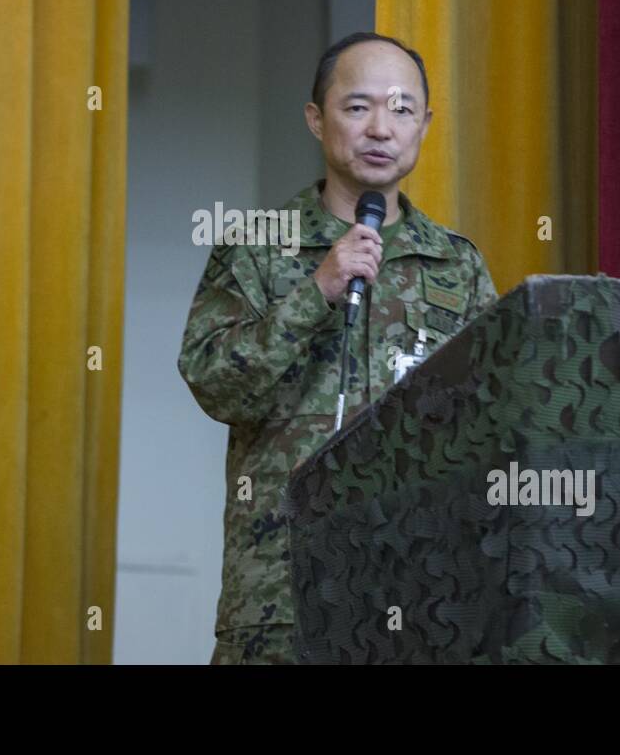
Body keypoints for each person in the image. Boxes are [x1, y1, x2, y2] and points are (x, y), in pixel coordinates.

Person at [178, 32, 498, 663]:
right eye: (358, 107)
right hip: (279, 599)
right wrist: (315, 291)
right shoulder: (256, 249)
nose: (381, 126)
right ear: (316, 119)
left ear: (425, 125)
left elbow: (493, 422)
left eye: (402, 108)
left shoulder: (457, 265)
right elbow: (213, 384)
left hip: (419, 597)